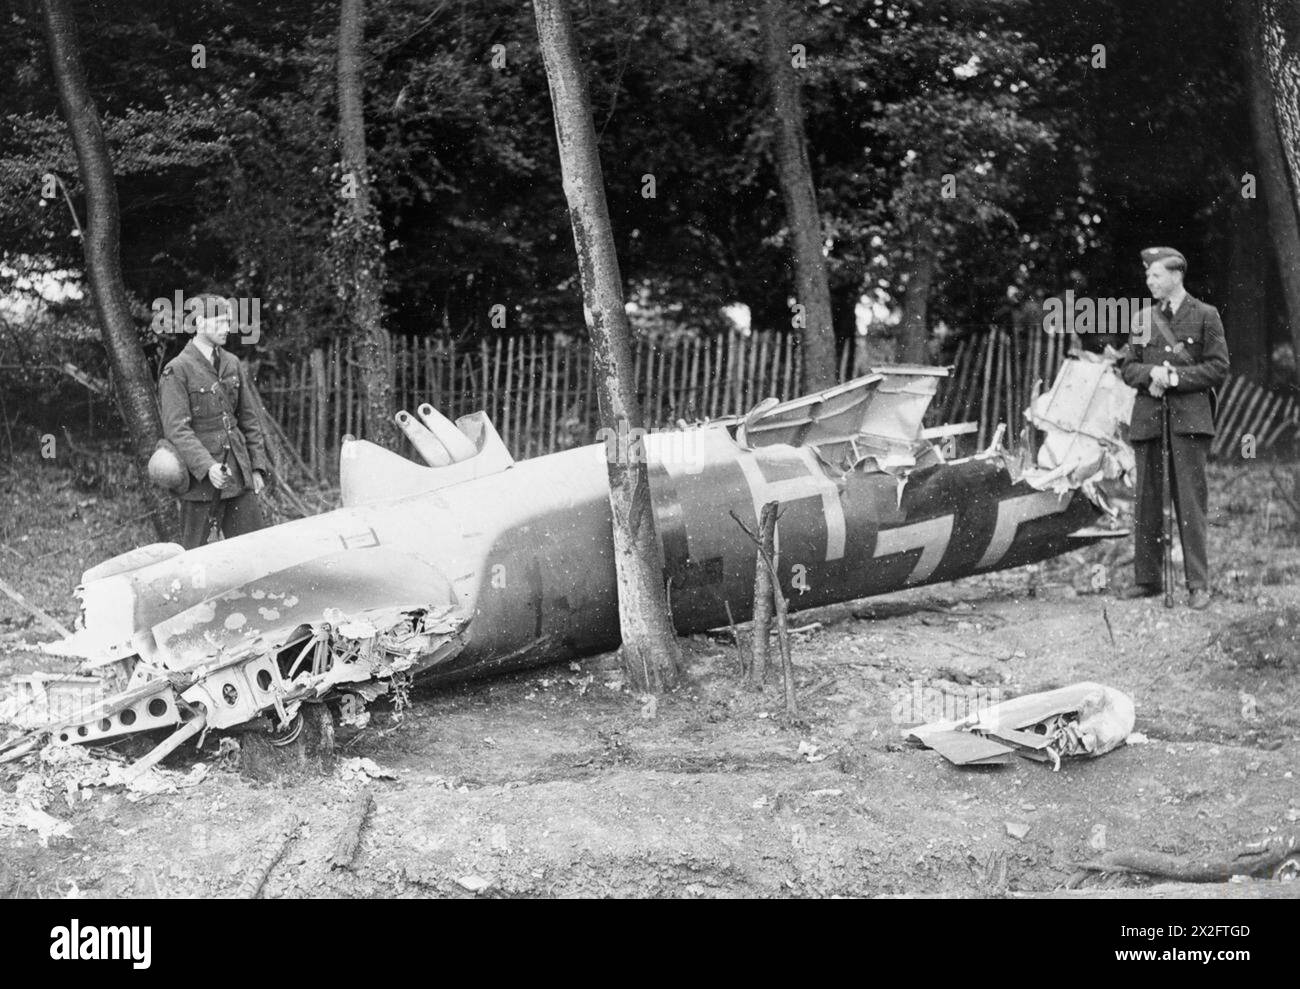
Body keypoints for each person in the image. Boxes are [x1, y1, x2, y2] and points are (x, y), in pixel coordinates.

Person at [1118, 247, 1229, 609]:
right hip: (1149, 418)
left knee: (1190, 501)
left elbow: (1217, 367)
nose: (1149, 281)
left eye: (1156, 275)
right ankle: (1147, 579)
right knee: (1147, 499)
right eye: (1148, 275)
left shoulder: (1206, 315)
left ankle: (1198, 584)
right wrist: (1150, 373)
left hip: (1188, 422)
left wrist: (1174, 377)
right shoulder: (1142, 320)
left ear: (1176, 275)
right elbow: (1128, 367)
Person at [159, 293, 270, 550]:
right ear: (199, 324)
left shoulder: (231, 362)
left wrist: (256, 468)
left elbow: (249, 419)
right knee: (198, 563)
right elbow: (177, 429)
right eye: (219, 322)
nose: (226, 328)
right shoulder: (177, 370)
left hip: (239, 478)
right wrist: (207, 466)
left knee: (254, 553)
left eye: (228, 321)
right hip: (202, 485)